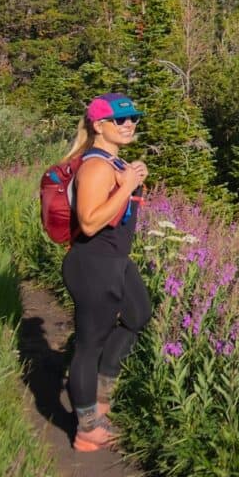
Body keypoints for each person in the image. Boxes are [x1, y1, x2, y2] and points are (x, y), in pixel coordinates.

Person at [60, 93, 152, 452]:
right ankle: (86, 428)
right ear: (99, 125)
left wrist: (131, 179)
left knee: (138, 315)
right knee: (88, 344)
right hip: (92, 265)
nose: (129, 125)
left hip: (115, 262)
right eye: (120, 120)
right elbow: (89, 221)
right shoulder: (95, 167)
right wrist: (127, 185)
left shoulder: (115, 163)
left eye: (133, 119)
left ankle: (101, 398)